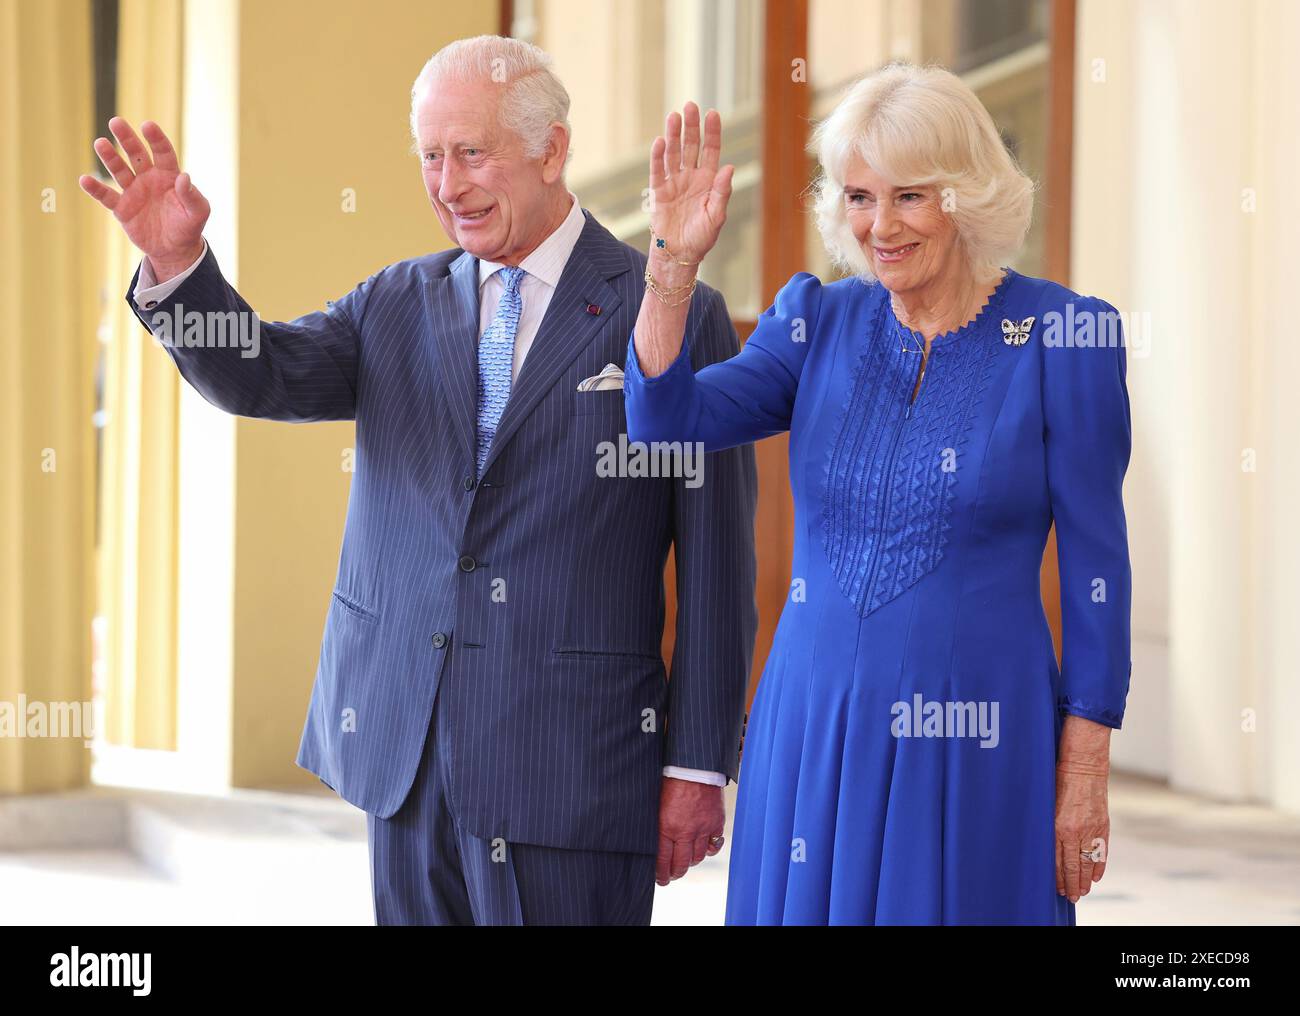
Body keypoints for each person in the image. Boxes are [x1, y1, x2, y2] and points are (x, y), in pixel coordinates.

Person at [79, 34, 758, 926]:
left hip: (570, 768)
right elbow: (262, 373)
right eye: (431, 157)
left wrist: (697, 765)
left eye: (471, 152)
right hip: (405, 752)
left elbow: (716, 569)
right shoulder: (396, 300)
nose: (447, 183)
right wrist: (179, 268)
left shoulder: (671, 310)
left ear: (552, 151)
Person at [624, 62, 1133, 925]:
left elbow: (1099, 572)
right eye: (859, 198)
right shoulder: (816, 319)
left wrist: (1083, 772)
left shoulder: (1063, 337)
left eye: (909, 197)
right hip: (814, 723)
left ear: (966, 197)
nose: (879, 226)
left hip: (976, 733)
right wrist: (670, 264)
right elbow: (666, 425)